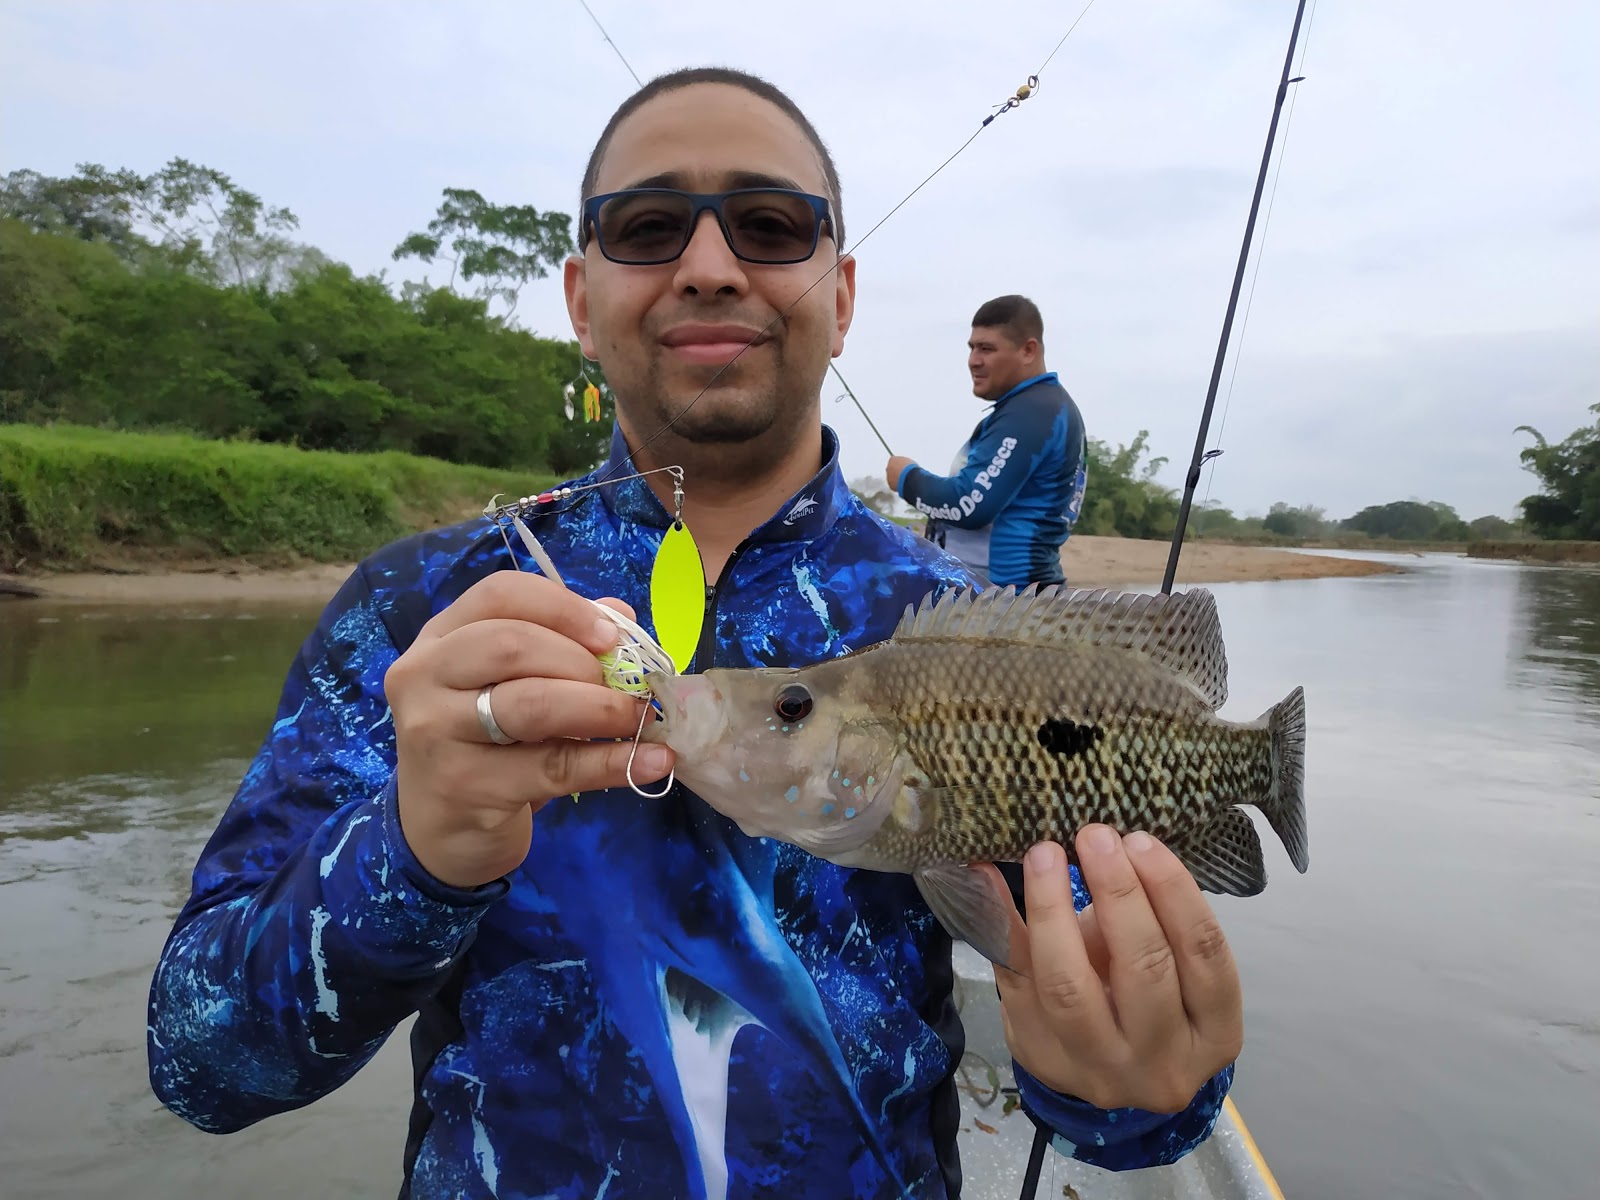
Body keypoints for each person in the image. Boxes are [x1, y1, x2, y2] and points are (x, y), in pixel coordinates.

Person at [146, 66, 1243, 1200]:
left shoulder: (980, 646)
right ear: (580, 297)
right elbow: (203, 1069)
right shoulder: (424, 612)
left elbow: (1133, 1103)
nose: (711, 267)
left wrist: (1126, 1091)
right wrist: (409, 855)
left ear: (844, 293)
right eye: (649, 226)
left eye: (770, 227)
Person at [886, 296, 1088, 588]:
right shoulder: (1037, 407)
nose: (973, 360)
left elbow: (969, 505)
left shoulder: (1031, 411)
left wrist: (906, 478)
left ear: (1028, 350)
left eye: (987, 349)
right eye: (971, 348)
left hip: (1012, 605)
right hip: (1006, 601)